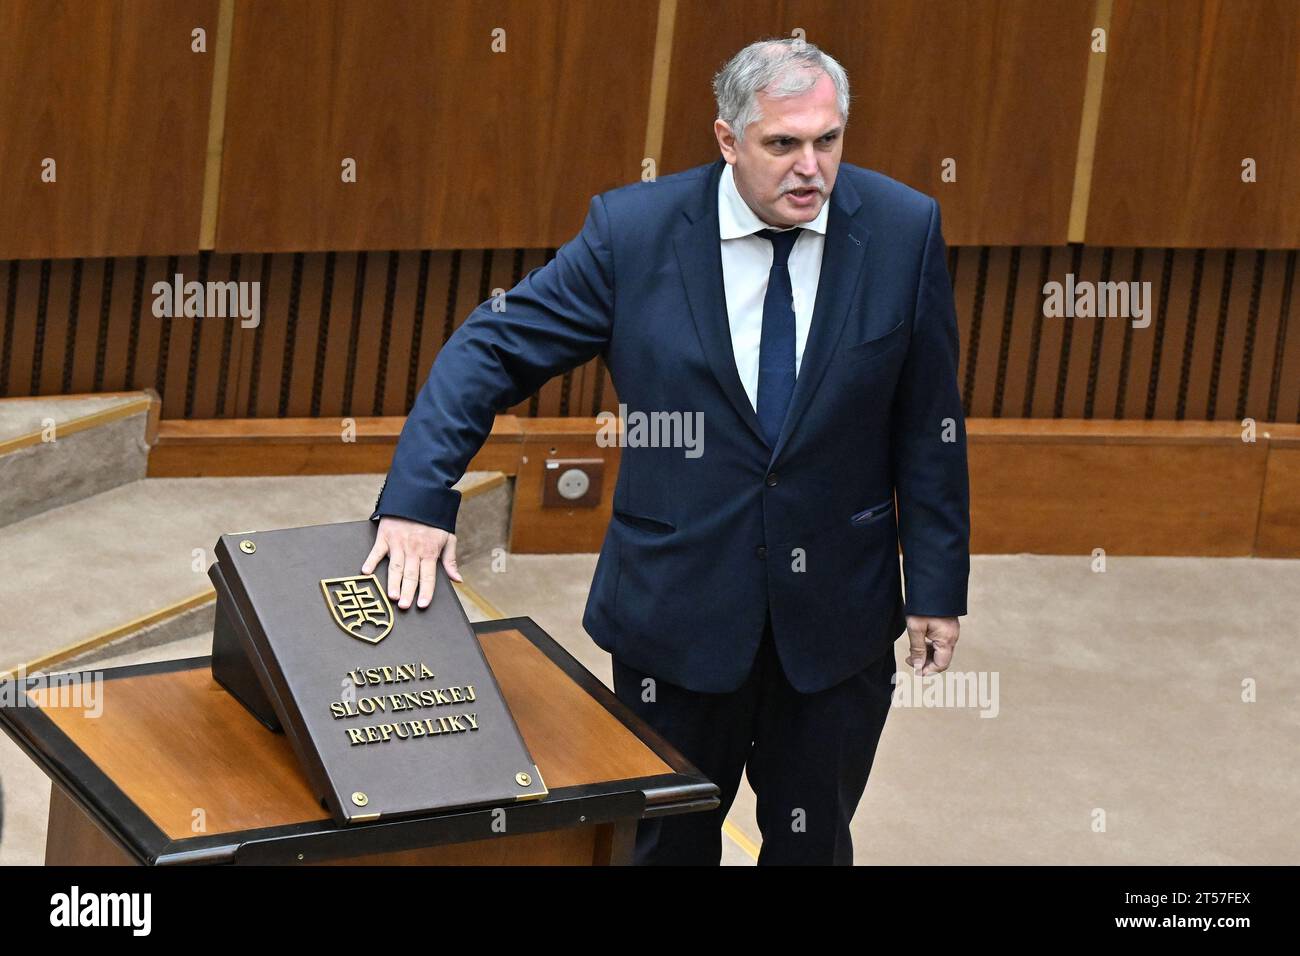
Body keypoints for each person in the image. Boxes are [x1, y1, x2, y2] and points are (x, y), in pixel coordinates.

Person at [363, 37, 969, 865]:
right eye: (782, 144)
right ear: (727, 140)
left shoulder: (904, 229)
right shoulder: (634, 232)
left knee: (813, 845)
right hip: (677, 619)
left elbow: (929, 420)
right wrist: (418, 497)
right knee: (661, 852)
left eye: (827, 141)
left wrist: (935, 583)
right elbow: (490, 351)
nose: (810, 168)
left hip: (837, 622)